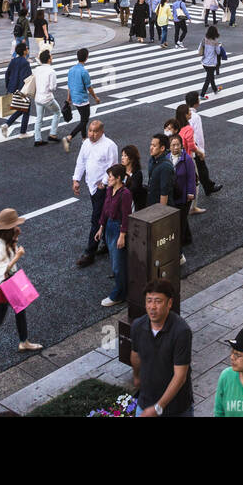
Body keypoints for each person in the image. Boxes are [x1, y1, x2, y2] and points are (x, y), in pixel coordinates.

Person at [0, 209, 41, 351]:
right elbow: (1, 272)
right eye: (14, 226)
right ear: (8, 229)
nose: (17, 228)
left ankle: (24, 341)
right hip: (2, 287)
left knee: (20, 310)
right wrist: (18, 256)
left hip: (10, 284)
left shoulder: (6, 240)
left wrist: (15, 238)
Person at [129, 279, 194, 416]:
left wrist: (158, 408)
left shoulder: (181, 332)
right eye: (149, 301)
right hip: (146, 402)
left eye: (158, 301)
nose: (152, 307)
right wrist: (136, 376)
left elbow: (180, 376)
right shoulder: (137, 326)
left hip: (176, 408)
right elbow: (135, 355)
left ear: (169, 303)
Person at [74, 119, 119, 267]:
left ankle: (89, 253)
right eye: (90, 131)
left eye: (95, 131)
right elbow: (81, 161)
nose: (92, 134)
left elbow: (113, 166)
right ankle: (106, 242)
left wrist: (104, 182)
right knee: (101, 216)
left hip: (103, 189)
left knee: (96, 219)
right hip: (91, 186)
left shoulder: (110, 146)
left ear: (102, 131)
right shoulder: (86, 143)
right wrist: (76, 179)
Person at [96, 163, 132, 307]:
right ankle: (123, 288)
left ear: (118, 178)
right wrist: (101, 227)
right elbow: (105, 209)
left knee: (118, 264)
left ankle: (118, 295)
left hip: (118, 228)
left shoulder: (125, 194)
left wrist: (122, 235)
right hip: (109, 226)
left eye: (110, 176)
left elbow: (126, 216)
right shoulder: (109, 189)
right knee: (114, 261)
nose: (108, 179)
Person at [63, 48, 100, 151]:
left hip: (74, 99)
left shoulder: (71, 70)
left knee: (82, 119)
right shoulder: (84, 71)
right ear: (86, 57)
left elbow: (69, 86)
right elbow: (89, 87)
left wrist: (68, 100)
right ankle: (69, 137)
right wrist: (96, 97)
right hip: (82, 99)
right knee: (84, 120)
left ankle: (84, 139)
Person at [31, 49, 63, 146]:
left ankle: (37, 139)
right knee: (57, 112)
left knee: (39, 118)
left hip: (37, 98)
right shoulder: (51, 71)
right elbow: (52, 87)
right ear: (49, 59)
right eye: (51, 56)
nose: (52, 57)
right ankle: (52, 134)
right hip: (47, 98)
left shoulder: (36, 69)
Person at [199, 25, 223, 99]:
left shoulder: (204, 39)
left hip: (204, 61)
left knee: (211, 76)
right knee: (208, 79)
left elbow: (200, 48)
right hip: (211, 63)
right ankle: (202, 95)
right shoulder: (215, 41)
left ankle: (215, 90)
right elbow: (218, 52)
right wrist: (219, 46)